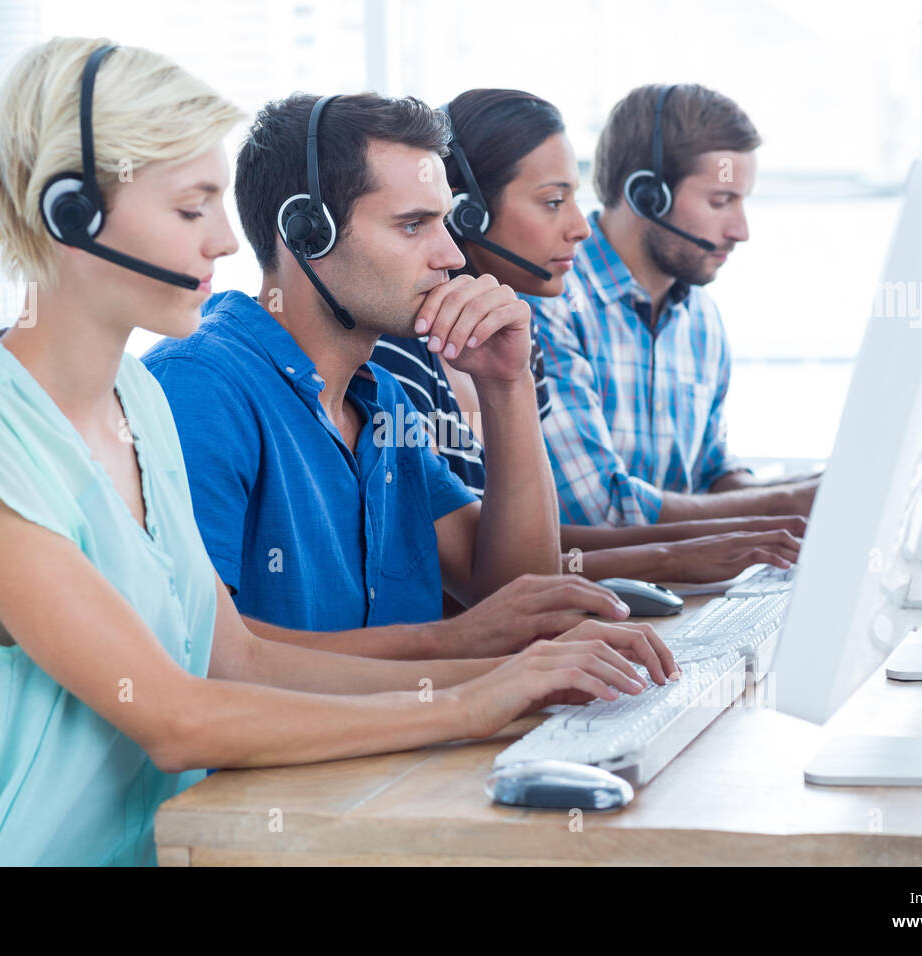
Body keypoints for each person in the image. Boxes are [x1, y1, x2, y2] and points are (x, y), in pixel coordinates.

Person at [0, 38, 676, 867]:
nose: (219, 242)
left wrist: (514, 689)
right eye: (189, 208)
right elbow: (177, 716)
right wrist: (477, 698)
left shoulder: (135, 405)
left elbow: (234, 657)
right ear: (70, 214)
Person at [144, 92, 643, 659]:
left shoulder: (384, 402)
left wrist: (507, 386)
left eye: (445, 223)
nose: (453, 256)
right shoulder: (199, 388)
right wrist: (448, 645)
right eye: (413, 226)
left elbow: (515, 605)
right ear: (308, 233)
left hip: (418, 748)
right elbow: (198, 651)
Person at [371, 89, 803, 583]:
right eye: (554, 202)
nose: (579, 227)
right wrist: (673, 556)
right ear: (466, 215)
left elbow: (536, 546)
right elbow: (488, 578)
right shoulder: (398, 363)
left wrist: (737, 536)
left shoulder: (513, 348)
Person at [528, 83, 820, 528]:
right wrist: (786, 503)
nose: (741, 230)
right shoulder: (552, 300)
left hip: (683, 593)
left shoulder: (701, 320)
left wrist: (817, 489)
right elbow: (600, 513)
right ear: (647, 195)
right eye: (721, 201)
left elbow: (711, 479)